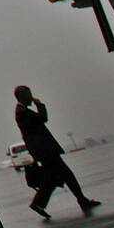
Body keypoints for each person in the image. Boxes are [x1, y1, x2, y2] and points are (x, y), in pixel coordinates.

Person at [14, 85, 101, 219]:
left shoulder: (22, 111)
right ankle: (79, 201)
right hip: (45, 151)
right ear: (21, 96)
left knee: (56, 178)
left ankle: (39, 203)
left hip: (45, 151)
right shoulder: (22, 112)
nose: (31, 97)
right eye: (28, 94)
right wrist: (39, 104)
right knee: (64, 175)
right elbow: (43, 118)